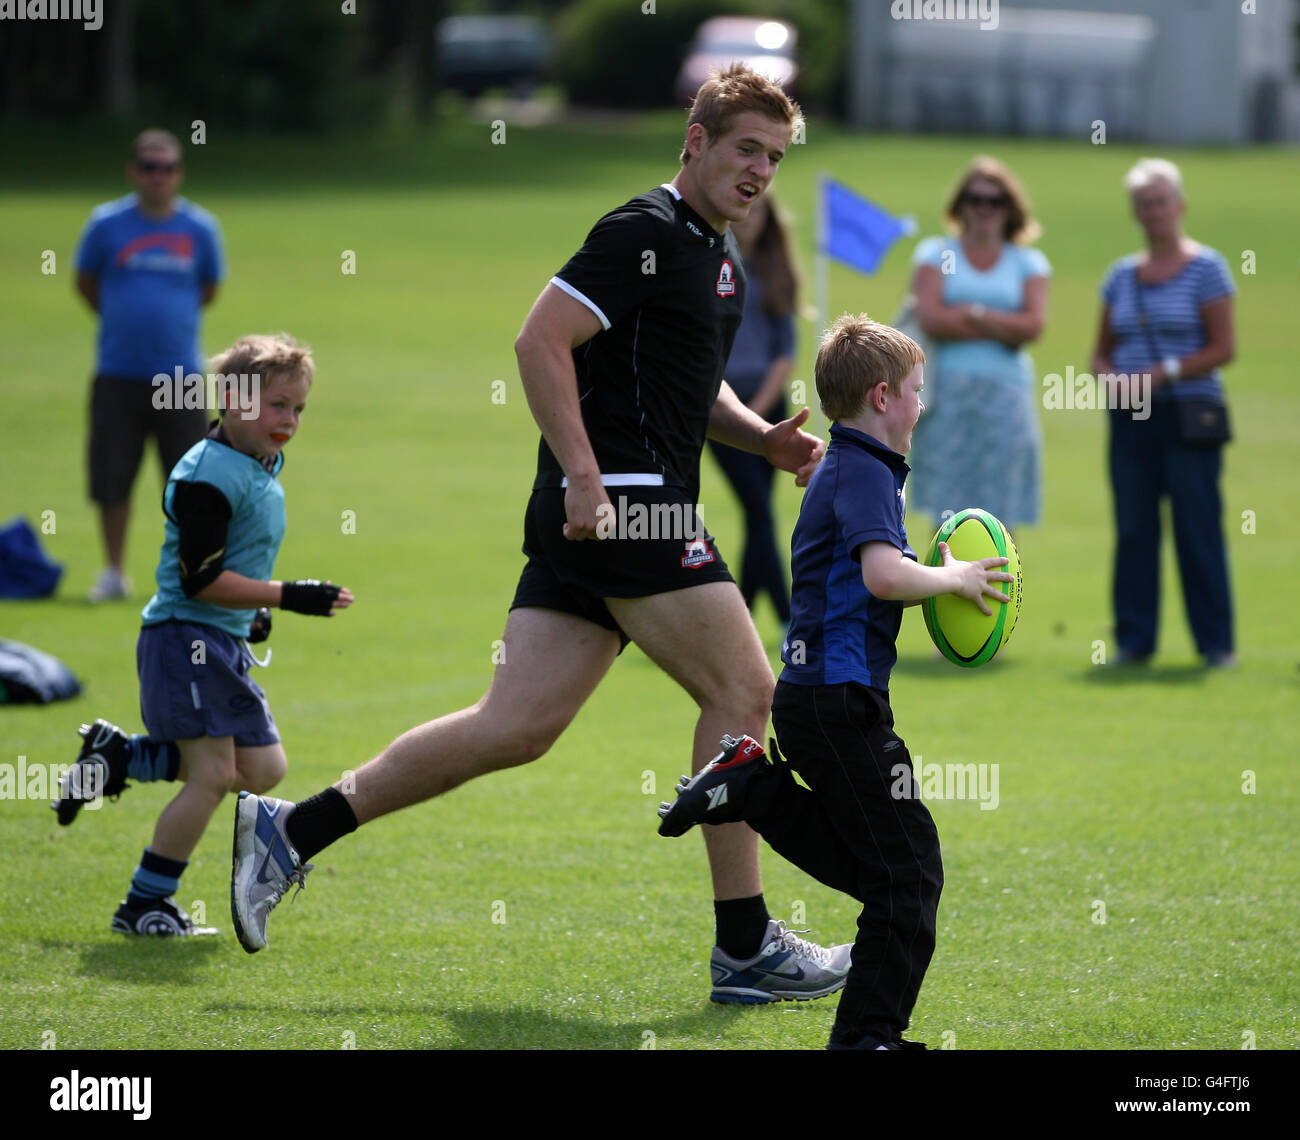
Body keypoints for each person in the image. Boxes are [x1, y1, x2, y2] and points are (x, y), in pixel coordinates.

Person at [230, 64, 852, 1003]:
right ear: (696, 142)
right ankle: (746, 945)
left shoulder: (716, 255)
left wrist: (759, 436)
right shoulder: (643, 230)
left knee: (514, 728)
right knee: (743, 687)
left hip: (605, 510)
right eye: (744, 149)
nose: (760, 169)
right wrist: (586, 471)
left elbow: (685, 385)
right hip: (624, 505)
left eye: (774, 155)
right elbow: (540, 339)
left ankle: (291, 830)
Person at [657, 315, 1013, 1047]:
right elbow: (884, 577)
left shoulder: (852, 466)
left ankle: (750, 789)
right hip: (838, 707)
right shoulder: (867, 473)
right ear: (882, 396)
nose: (923, 405)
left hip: (819, 703)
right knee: (909, 877)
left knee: (894, 876)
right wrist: (954, 578)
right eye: (916, 391)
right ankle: (867, 1039)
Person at [51, 334, 354, 936]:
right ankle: (146, 903)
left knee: (264, 768)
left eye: (298, 408)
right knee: (214, 774)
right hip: (184, 636)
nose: (290, 420)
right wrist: (289, 596)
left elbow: (237, 562)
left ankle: (124, 757)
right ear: (234, 401)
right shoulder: (207, 476)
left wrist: (255, 613)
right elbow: (200, 580)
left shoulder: (257, 461)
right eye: (277, 406)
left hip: (220, 638)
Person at [1090, 158, 1237, 667]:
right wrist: (1110, 378)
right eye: (1143, 204)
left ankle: (1215, 644)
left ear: (1179, 205)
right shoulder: (1120, 277)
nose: (1152, 212)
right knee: (1134, 528)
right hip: (1131, 416)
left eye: (1159, 201)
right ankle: (1135, 641)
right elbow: (1100, 351)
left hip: (1189, 413)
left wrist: (1163, 372)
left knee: (1198, 526)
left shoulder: (1208, 269)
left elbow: (1224, 347)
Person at [75, 128, 225, 602]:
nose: (158, 176)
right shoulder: (106, 224)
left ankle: (190, 573)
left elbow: (209, 289)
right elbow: (85, 281)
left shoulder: (200, 228)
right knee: (112, 473)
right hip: (118, 371)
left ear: (179, 173)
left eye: (168, 168)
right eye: (149, 167)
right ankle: (115, 572)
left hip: (180, 374)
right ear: (133, 171)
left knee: (189, 478)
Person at [907, 156, 1049, 530]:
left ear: (1009, 207)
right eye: (975, 198)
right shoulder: (937, 253)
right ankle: (942, 586)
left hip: (1007, 394)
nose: (984, 209)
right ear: (961, 204)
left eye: (995, 200)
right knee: (947, 513)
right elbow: (931, 318)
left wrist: (975, 313)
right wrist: (1003, 326)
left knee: (1001, 514)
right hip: (947, 393)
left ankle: (1000, 589)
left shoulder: (1027, 262)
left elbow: (1033, 326)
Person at [706, 194, 799, 625]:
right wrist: (744, 418)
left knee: (757, 512)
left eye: (763, 211)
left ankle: (744, 612)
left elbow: (786, 352)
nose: (753, 219)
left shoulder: (775, 273)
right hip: (718, 409)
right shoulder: (711, 265)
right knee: (758, 509)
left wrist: (760, 414)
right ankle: (786, 615)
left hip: (768, 407)